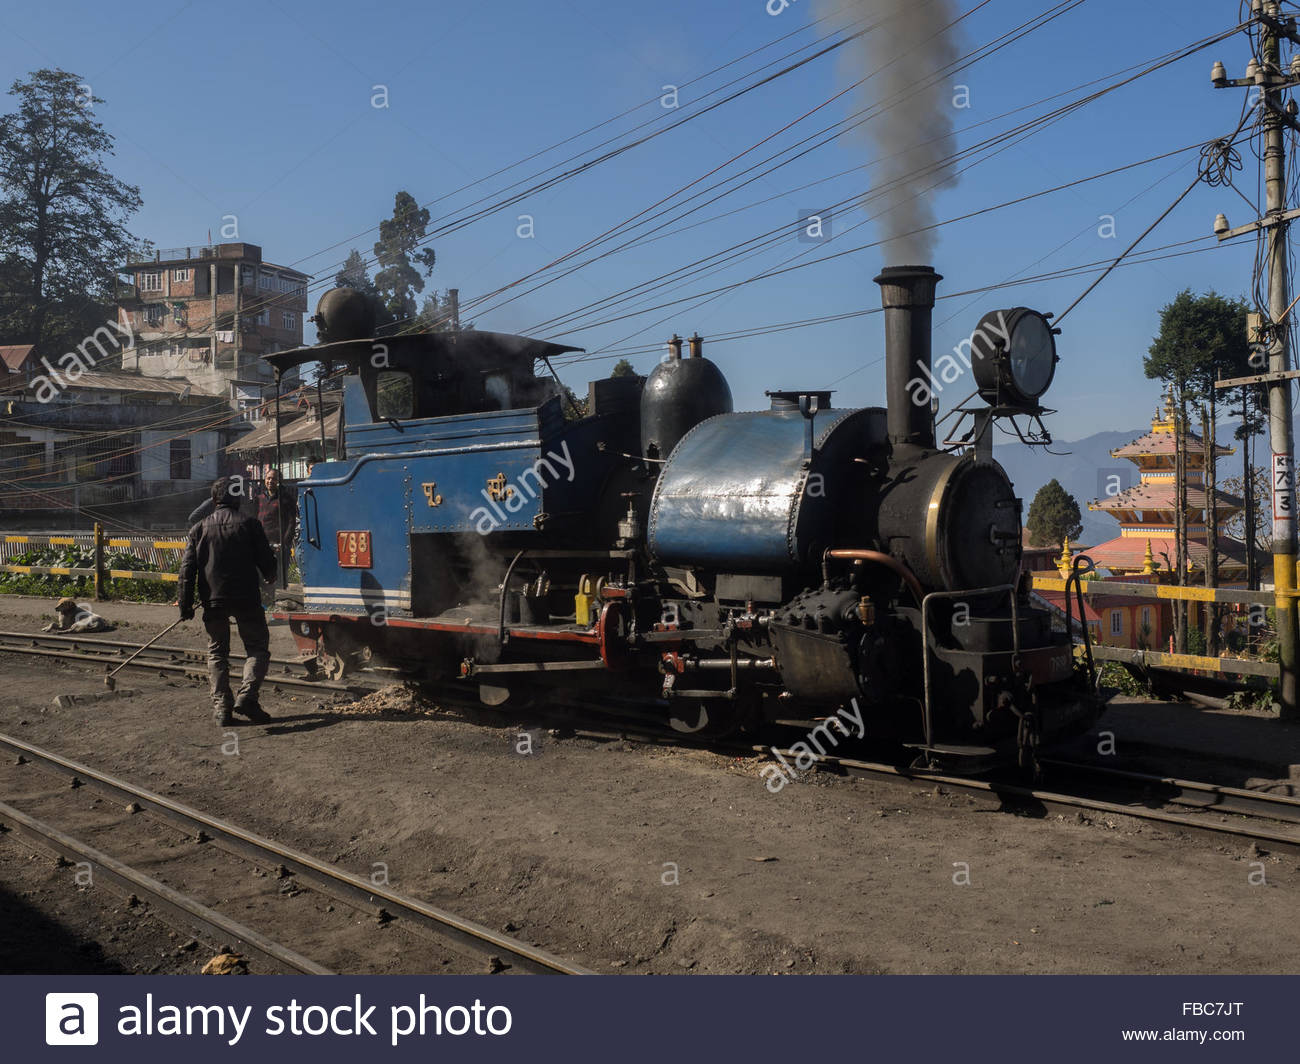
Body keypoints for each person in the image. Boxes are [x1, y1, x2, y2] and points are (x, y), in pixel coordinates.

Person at [179, 476, 277, 726]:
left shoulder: (198, 529)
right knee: (256, 648)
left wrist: (185, 605)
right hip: (247, 598)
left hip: (213, 600)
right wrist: (269, 575)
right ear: (238, 499)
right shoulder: (250, 524)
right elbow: (267, 561)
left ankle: (223, 707)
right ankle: (248, 696)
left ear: (213, 500)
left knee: (217, 653)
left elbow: (187, 571)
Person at [257, 468, 298, 590]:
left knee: (279, 577)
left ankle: (281, 604)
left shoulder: (286, 499)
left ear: (279, 481)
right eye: (268, 478)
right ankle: (268, 602)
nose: (270, 481)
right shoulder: (259, 498)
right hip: (263, 544)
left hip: (279, 545)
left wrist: (284, 543)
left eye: (274, 478)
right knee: (263, 577)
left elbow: (291, 523)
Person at [43, 597, 113, 633]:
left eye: (62, 605)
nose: (57, 607)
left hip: (95, 620)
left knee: (73, 628)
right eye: (59, 604)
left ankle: (68, 632)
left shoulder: (71, 612)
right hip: (98, 621)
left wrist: (52, 625)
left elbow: (63, 626)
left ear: (68, 606)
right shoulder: (65, 611)